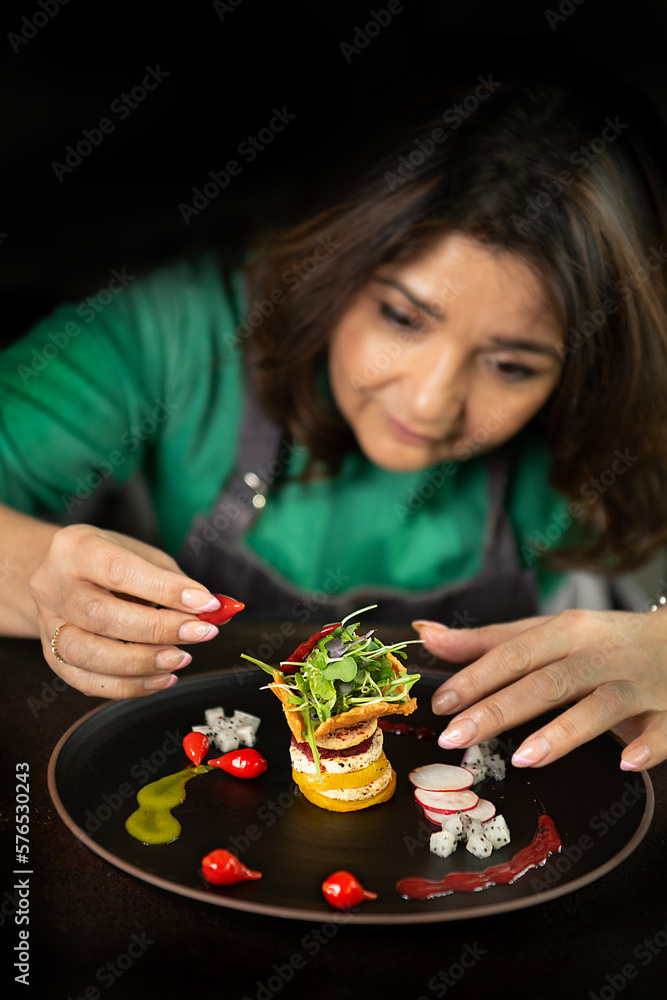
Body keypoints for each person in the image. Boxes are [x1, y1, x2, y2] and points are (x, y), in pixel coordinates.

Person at [1, 67, 667, 774]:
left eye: (511, 365)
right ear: (336, 266)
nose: (428, 403)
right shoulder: (174, 329)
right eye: (403, 318)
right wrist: (33, 571)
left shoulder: (617, 416)